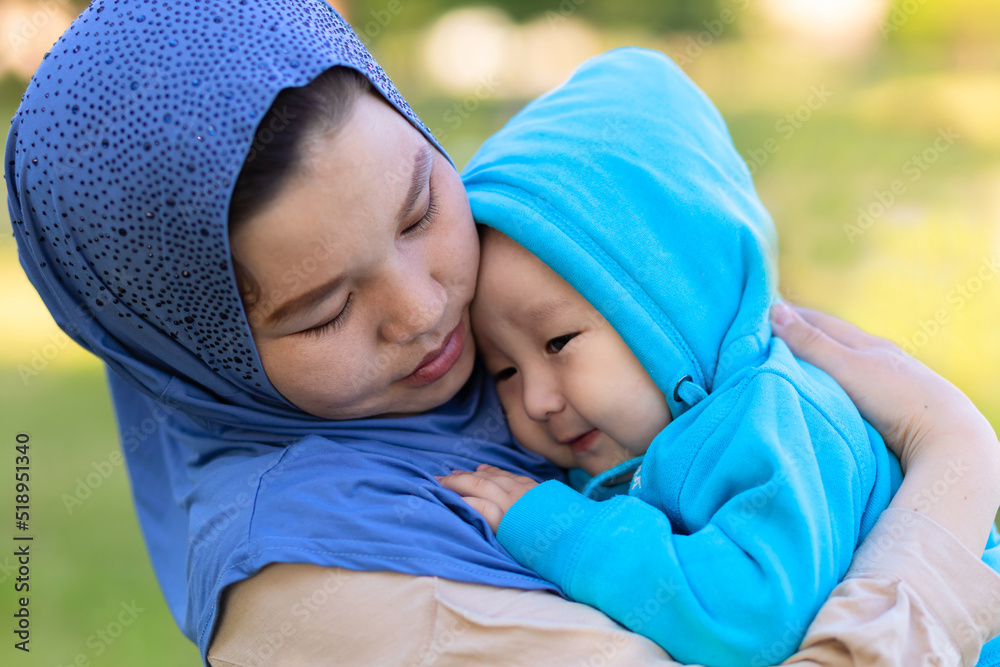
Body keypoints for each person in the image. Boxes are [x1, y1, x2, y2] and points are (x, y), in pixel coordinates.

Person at [6, 2, 999, 665]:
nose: (425, 310)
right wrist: (953, 456)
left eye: (418, 209)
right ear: (194, 354)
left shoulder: (536, 301)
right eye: (324, 310)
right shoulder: (344, 603)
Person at [437, 47, 903, 665]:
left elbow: (751, 617)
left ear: (676, 306)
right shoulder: (638, 441)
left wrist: (564, 532)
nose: (537, 400)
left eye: (558, 343)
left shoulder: (773, 418)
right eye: (504, 370)